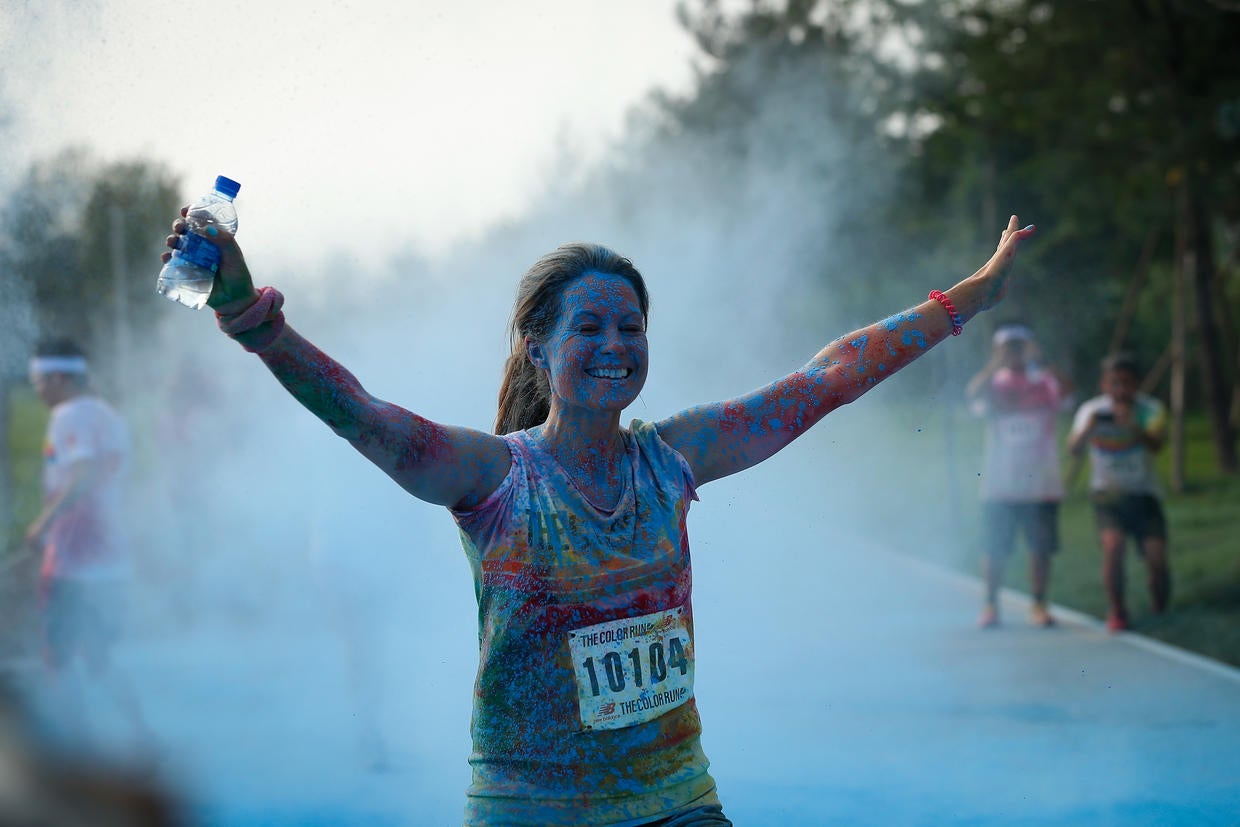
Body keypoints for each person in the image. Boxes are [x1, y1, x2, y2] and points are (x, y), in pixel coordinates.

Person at [163, 211, 1036, 826]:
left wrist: (969, 299)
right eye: (591, 326)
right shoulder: (494, 476)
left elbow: (824, 379)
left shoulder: (674, 457)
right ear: (538, 348)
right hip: (528, 809)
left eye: (632, 326)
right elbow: (363, 413)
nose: (617, 344)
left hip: (677, 802)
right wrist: (248, 315)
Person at [23, 339, 153, 752]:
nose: (37, 390)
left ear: (58, 377)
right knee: (99, 660)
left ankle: (75, 752)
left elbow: (85, 472)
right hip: (110, 560)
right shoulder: (107, 415)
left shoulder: (68, 415)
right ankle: (142, 741)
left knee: (57, 658)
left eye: (39, 381)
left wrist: (43, 524)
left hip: (72, 561)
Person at [965, 324, 1072, 629]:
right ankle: (990, 605)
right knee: (994, 548)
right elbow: (972, 395)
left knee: (1040, 548)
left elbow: (1068, 393)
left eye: (1019, 347)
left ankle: (1038, 603)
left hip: (1041, 484)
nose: (1014, 353)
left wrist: (1043, 361)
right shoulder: (993, 384)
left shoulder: (1045, 382)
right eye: (1007, 348)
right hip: (999, 485)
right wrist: (995, 365)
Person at [1068, 353, 1169, 632]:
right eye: (1115, 383)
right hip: (1107, 496)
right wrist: (1089, 429)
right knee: (1114, 548)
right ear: (1104, 384)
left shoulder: (1150, 409)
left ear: (1137, 384)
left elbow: (1158, 445)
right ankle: (1118, 610)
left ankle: (1161, 608)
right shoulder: (1091, 411)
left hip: (1144, 493)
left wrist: (1133, 426)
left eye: (1127, 383)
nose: (1121, 390)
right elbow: (1073, 449)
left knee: (1156, 558)